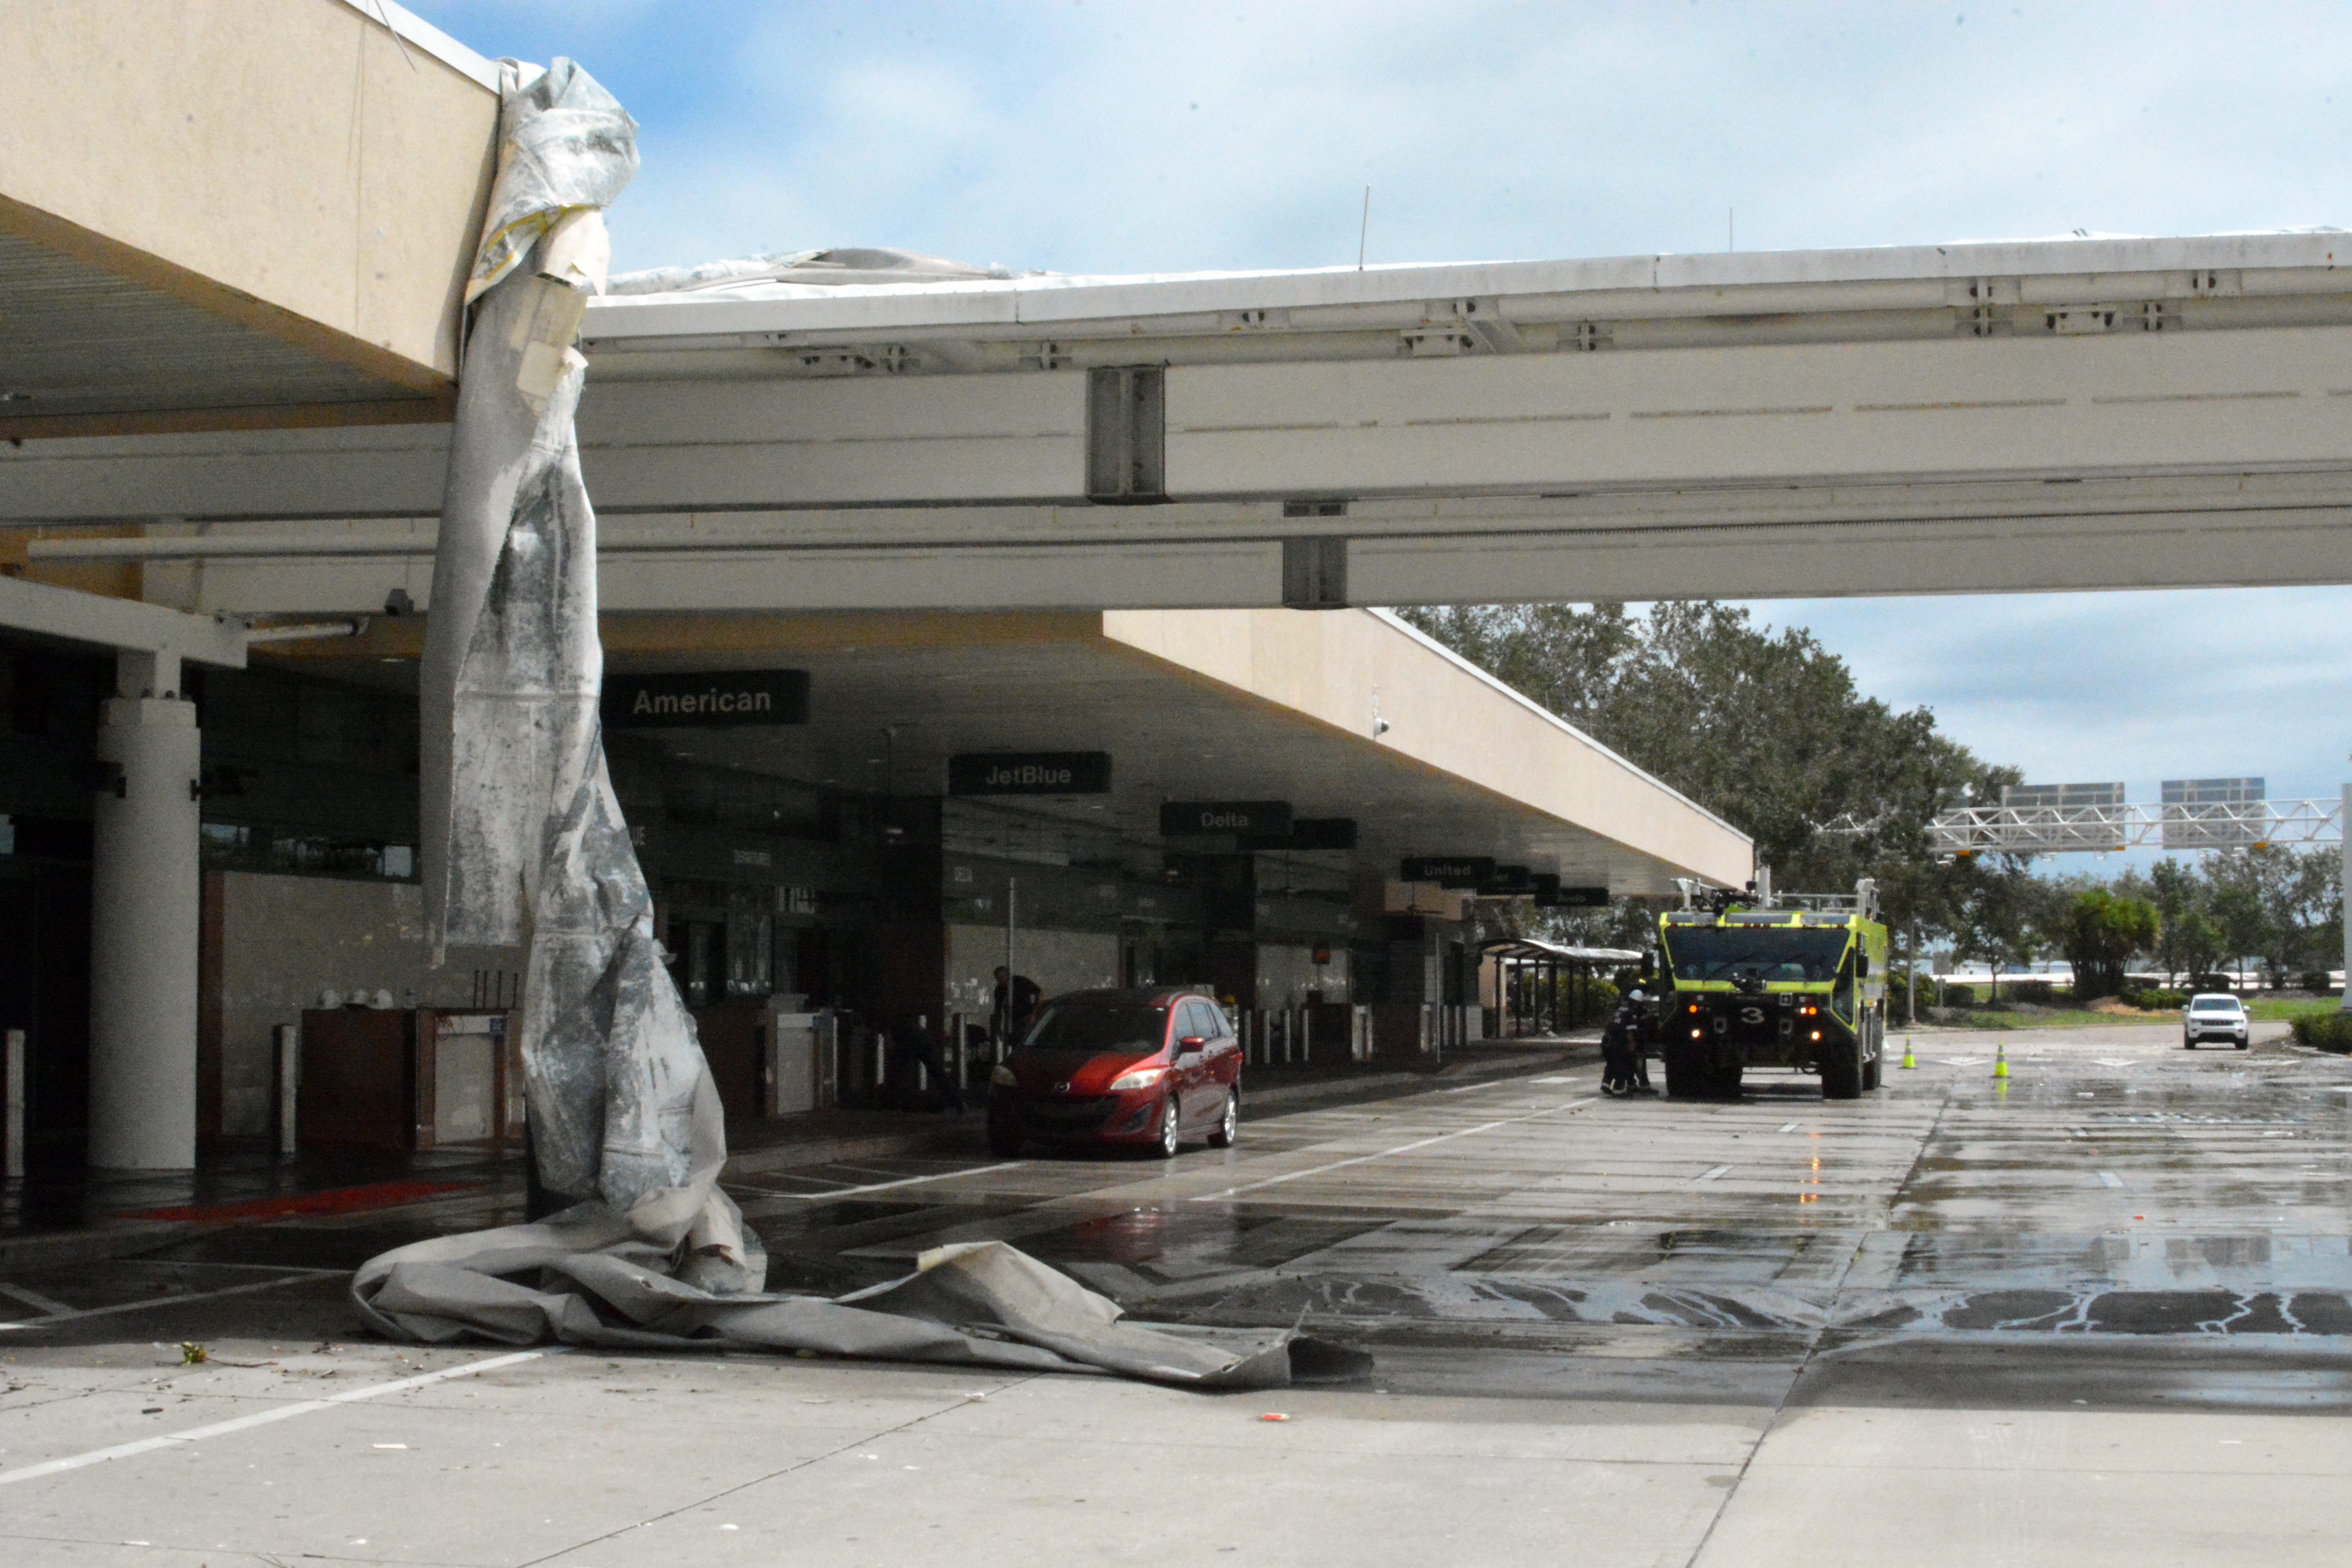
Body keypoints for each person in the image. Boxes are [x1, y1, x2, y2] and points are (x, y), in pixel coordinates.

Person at [885, 1014, 964, 1113]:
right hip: (922, 1039)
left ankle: (893, 1102)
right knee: (938, 1073)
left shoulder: (892, 1028)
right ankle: (957, 1102)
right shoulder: (905, 1027)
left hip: (911, 1040)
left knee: (897, 1073)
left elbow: (892, 1048)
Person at [991, 966, 1042, 1044]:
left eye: (1002, 978)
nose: (1001, 982)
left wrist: (1034, 1013)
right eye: (998, 980)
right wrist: (998, 1028)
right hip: (1014, 1021)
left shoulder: (1020, 981)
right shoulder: (1000, 990)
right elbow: (998, 1009)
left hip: (1027, 1018)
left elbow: (1039, 993)